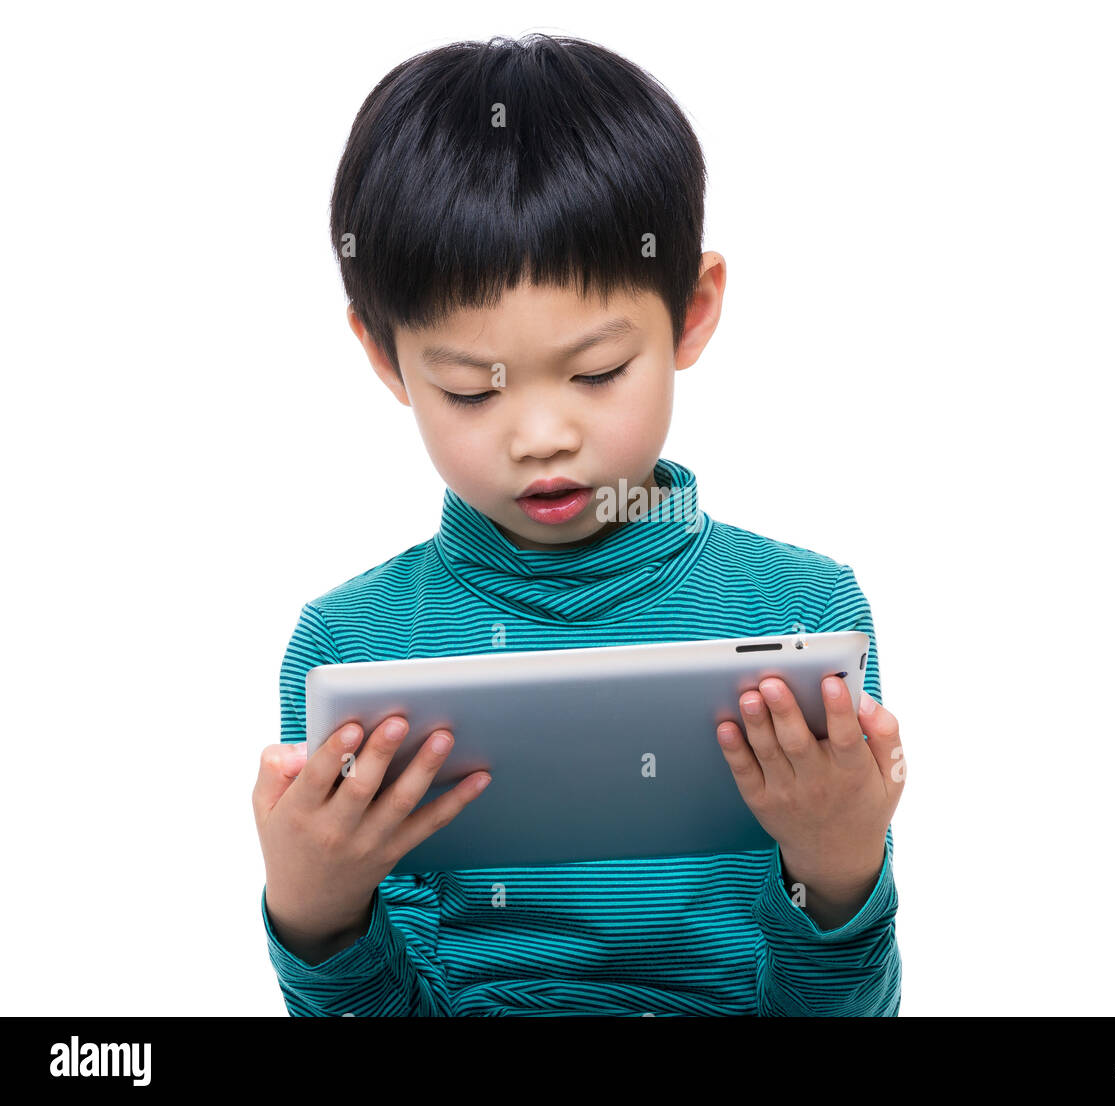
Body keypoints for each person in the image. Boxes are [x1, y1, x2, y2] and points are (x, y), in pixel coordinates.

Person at [251, 32, 905, 1016]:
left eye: (597, 373)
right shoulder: (354, 645)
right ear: (386, 360)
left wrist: (839, 865)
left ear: (690, 311)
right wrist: (317, 912)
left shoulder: (803, 609)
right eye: (471, 389)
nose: (542, 436)